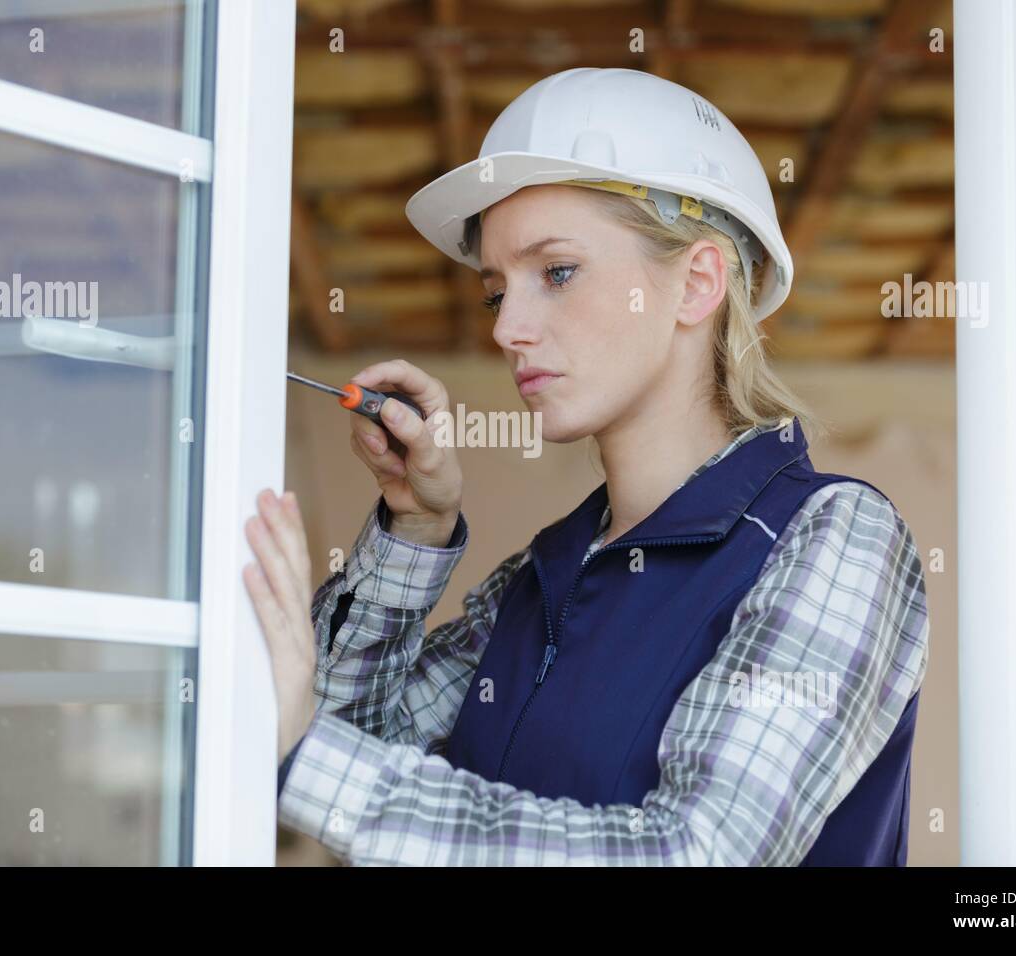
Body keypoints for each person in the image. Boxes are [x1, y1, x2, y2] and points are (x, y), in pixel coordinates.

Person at [243, 67, 929, 866]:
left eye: (556, 272)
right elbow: (337, 748)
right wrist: (416, 529)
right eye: (497, 292)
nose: (508, 330)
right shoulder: (538, 579)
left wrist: (304, 751)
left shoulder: (835, 537)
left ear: (696, 283)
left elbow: (695, 854)